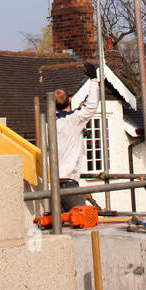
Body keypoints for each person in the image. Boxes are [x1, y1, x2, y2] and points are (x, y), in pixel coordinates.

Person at [54, 63, 101, 210]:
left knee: (59, 225)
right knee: (83, 220)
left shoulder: (48, 123)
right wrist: (94, 79)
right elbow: (91, 105)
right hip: (69, 183)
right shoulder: (75, 119)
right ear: (69, 100)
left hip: (54, 184)